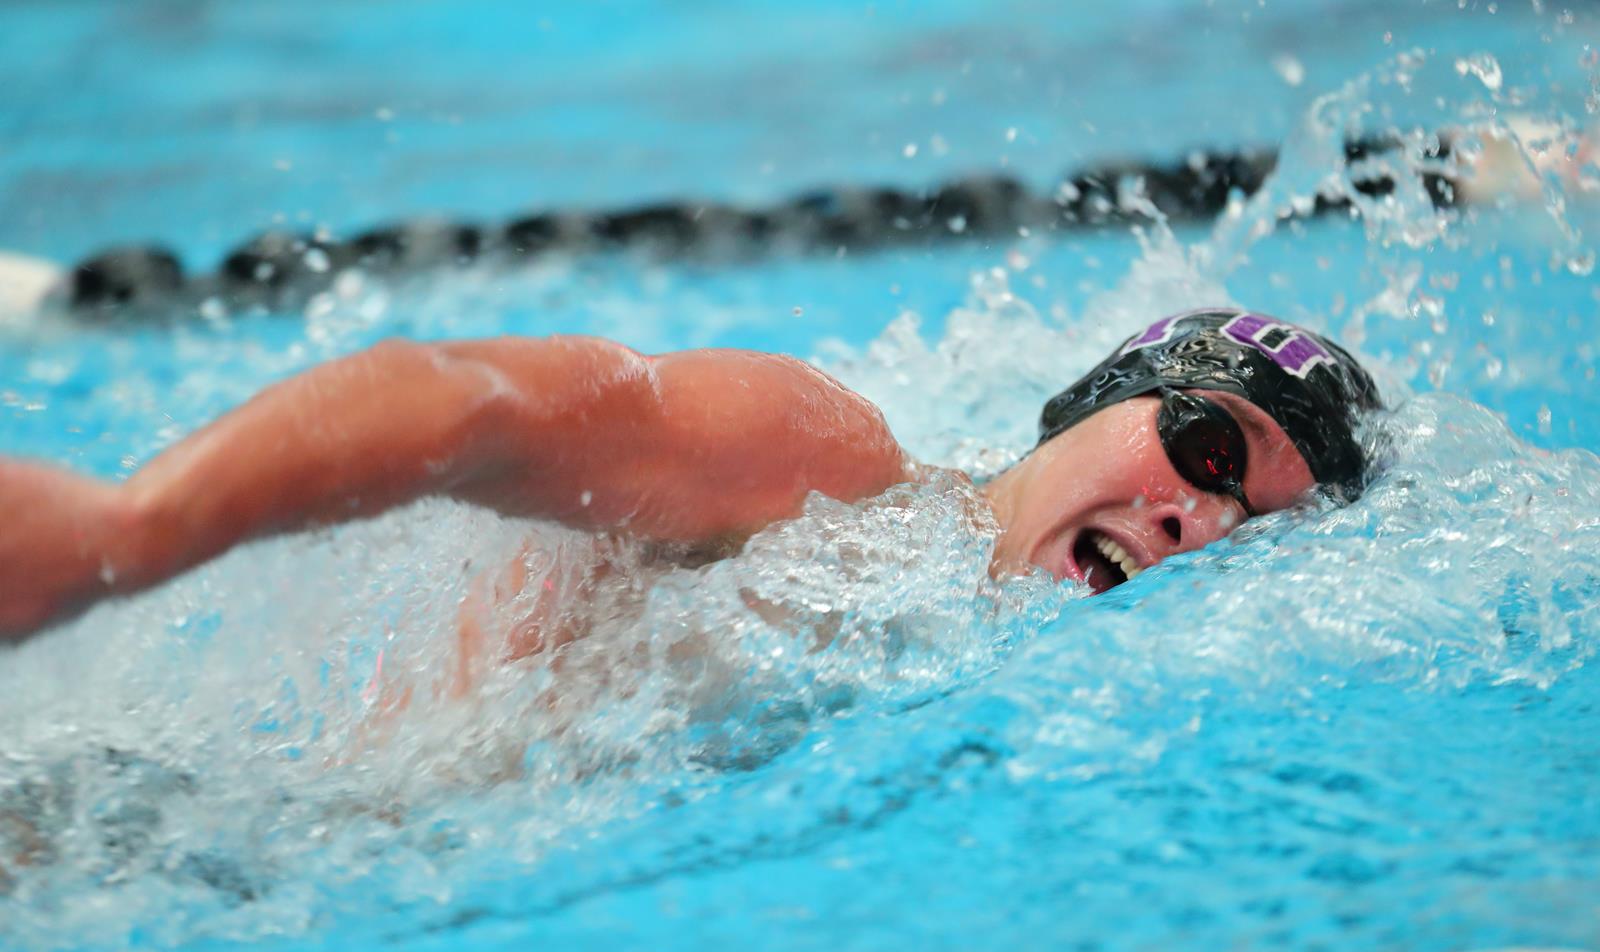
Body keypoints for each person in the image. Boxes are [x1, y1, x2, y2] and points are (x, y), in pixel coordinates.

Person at [0, 308, 1380, 645]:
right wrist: (135, 528)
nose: (1196, 517)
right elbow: (466, 405)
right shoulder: (824, 467)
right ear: (1100, 399)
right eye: (1206, 449)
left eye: (1248, 524)